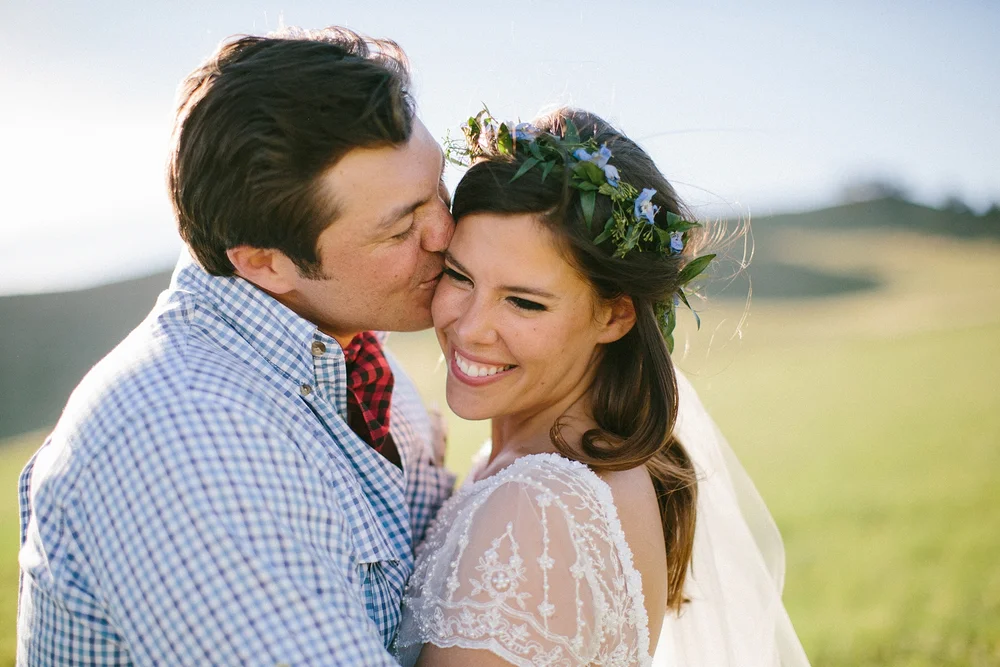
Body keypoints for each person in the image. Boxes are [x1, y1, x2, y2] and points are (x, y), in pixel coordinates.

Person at [17, 27, 455, 665]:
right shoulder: (186, 436)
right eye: (400, 229)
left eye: (438, 188)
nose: (446, 233)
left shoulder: (350, 353)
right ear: (265, 264)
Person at [394, 109, 810, 666]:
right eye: (459, 275)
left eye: (524, 302)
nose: (469, 328)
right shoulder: (547, 468)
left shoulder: (538, 508)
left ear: (614, 316)